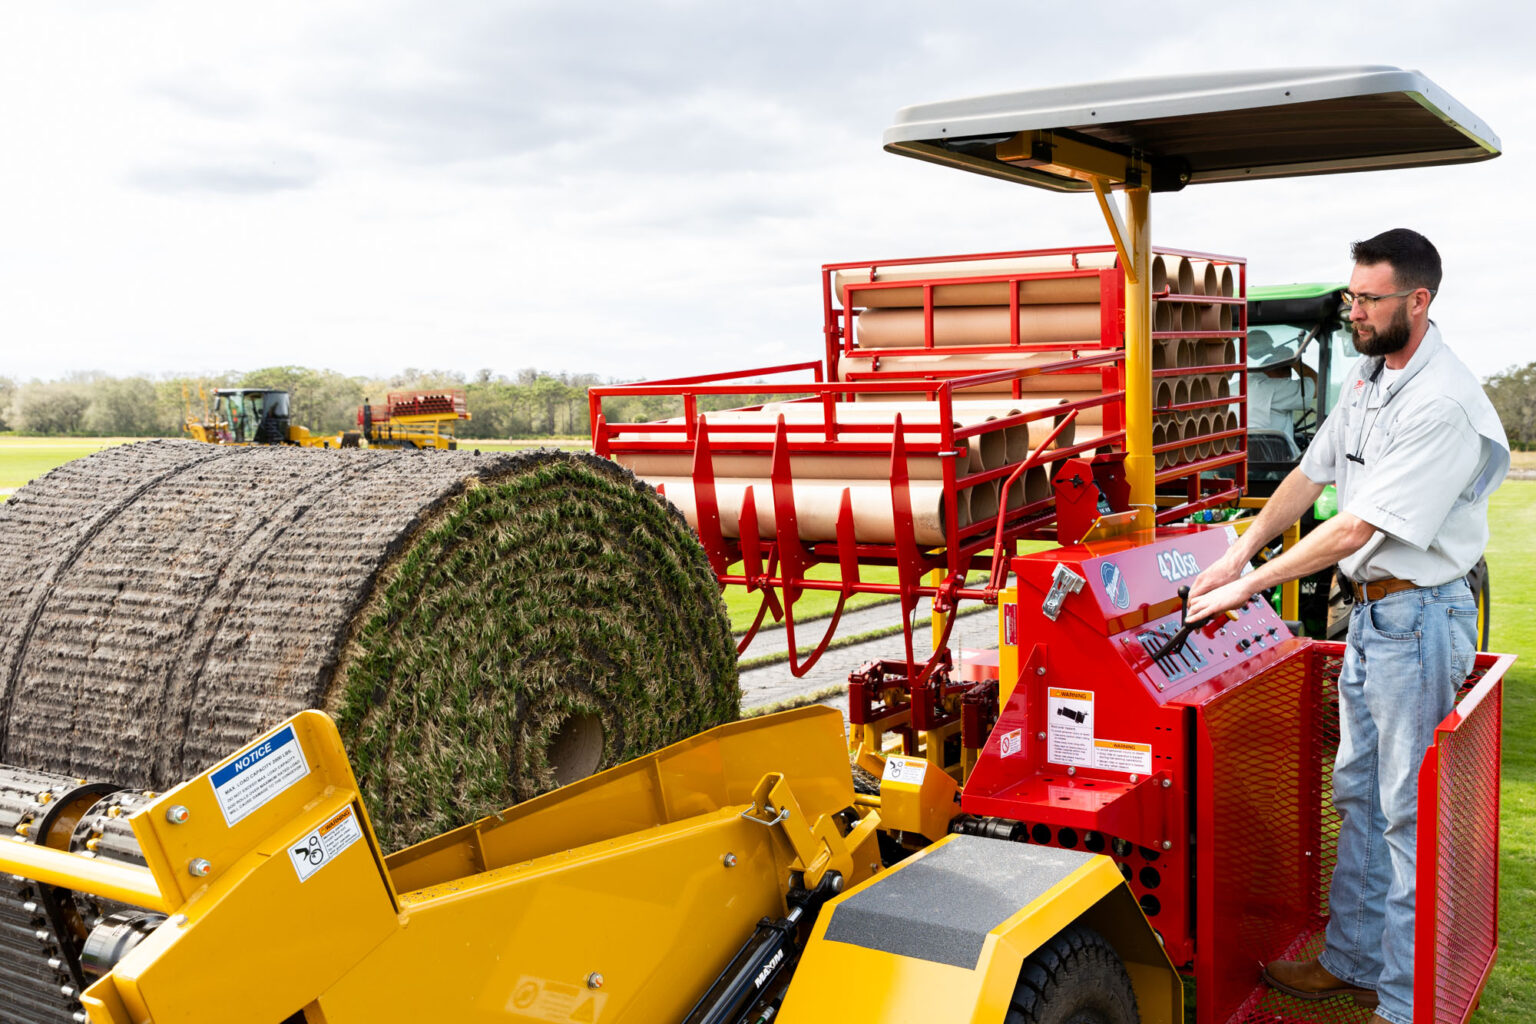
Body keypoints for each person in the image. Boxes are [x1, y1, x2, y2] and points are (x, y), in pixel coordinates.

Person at [1186, 228, 1508, 1024]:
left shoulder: (1442, 404)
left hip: (1418, 618)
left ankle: (1403, 1004)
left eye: (1369, 299)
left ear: (1418, 301)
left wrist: (1248, 586)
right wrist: (1237, 552)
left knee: (1405, 813)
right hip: (1372, 617)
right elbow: (1309, 474)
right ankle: (1355, 962)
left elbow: (1355, 527)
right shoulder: (1370, 377)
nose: (1354, 311)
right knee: (1358, 794)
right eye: (1351, 296)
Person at [1245, 328, 1316, 447]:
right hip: (1276, 456)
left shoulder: (1237, 387)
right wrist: (1294, 361)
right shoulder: (1273, 388)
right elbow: (1317, 386)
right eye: (1287, 375)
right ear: (1273, 370)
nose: (1287, 380)